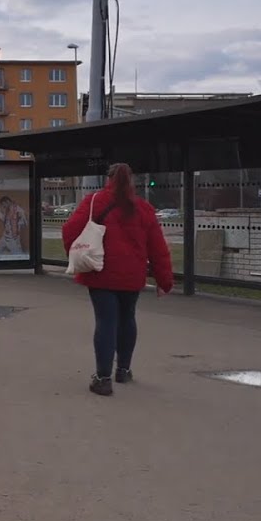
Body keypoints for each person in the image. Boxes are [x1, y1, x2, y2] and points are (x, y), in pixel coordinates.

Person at [61, 163, 174, 396]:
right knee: (127, 319)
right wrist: (165, 281)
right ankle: (123, 370)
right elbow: (158, 249)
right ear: (131, 180)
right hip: (132, 275)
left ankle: (103, 379)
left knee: (106, 322)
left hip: (99, 272)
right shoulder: (143, 208)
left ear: (108, 179)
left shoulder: (94, 202)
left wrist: (75, 254)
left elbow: (70, 229)